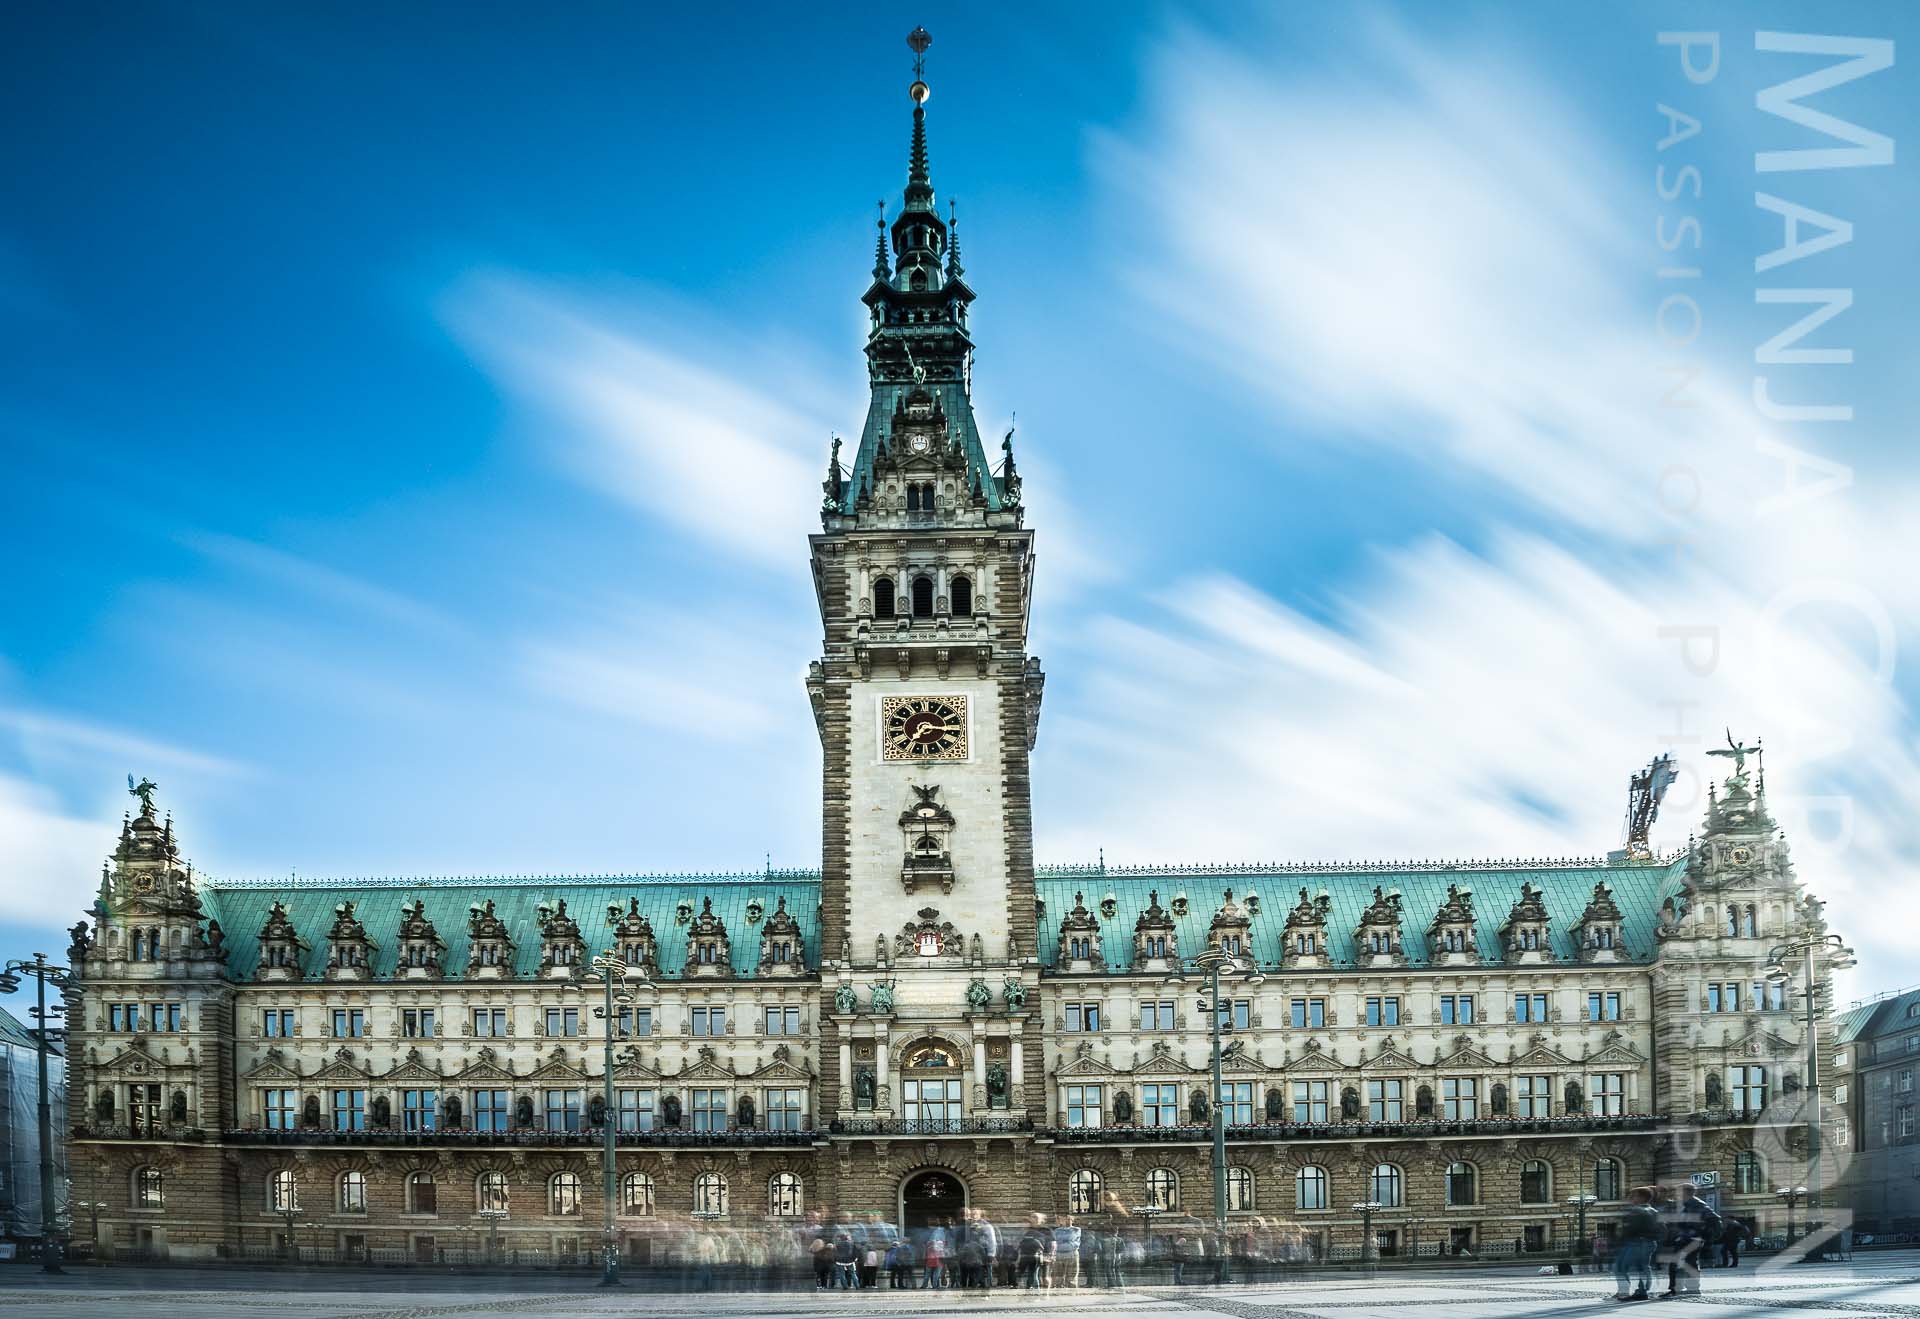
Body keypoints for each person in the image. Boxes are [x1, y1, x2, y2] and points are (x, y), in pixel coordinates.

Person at [1663, 1184, 1722, 1298]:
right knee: (1688, 1263)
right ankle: (1689, 1289)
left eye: (1678, 1192)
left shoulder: (1697, 1205)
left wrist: (1704, 1237)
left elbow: (1714, 1220)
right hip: (1687, 1239)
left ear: (1686, 1193)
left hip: (1691, 1240)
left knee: (1681, 1263)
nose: (1676, 1194)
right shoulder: (1688, 1204)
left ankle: (1681, 1289)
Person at [1611, 1186, 1660, 1302]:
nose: (1631, 1198)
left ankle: (1626, 1292)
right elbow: (1661, 1228)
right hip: (1647, 1242)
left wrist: (1619, 1238)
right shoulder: (1654, 1211)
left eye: (1634, 1196)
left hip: (1637, 1242)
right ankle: (1642, 1291)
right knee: (1642, 1267)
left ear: (1642, 1198)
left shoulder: (1638, 1211)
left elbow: (1630, 1229)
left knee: (1620, 1267)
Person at [1018, 1215, 1048, 1288]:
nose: (1024, 1225)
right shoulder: (1022, 1234)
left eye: (1026, 1223)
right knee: (1027, 1273)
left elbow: (1042, 1246)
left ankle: (1033, 1287)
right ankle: (1028, 1286)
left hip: (1034, 1256)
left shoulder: (1035, 1233)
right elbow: (1018, 1246)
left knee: (1033, 1274)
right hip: (1025, 1256)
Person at [922, 1220, 947, 1288]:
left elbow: (926, 1250)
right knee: (936, 1274)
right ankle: (935, 1285)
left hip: (930, 1260)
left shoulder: (929, 1243)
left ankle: (924, 1285)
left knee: (927, 1274)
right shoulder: (941, 1243)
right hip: (938, 1260)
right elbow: (943, 1251)